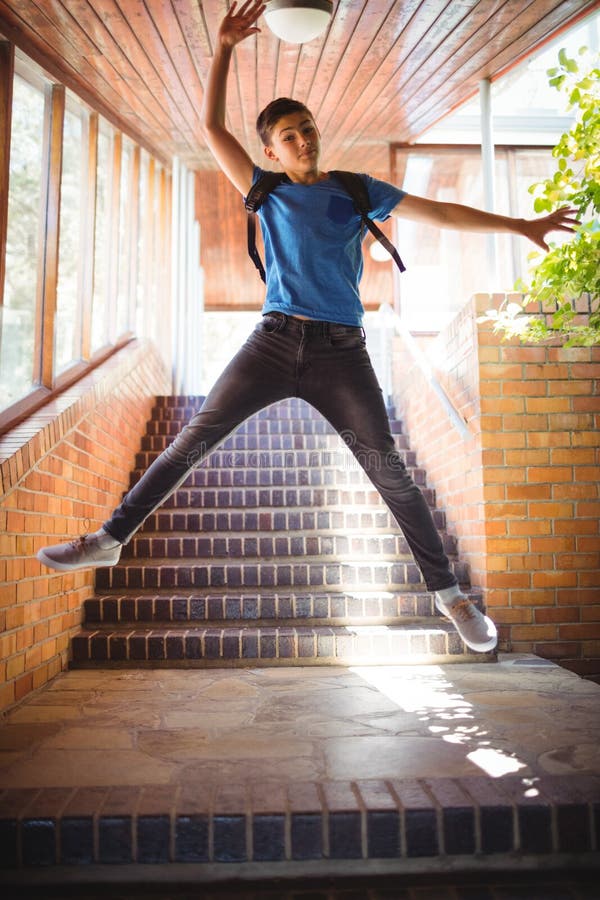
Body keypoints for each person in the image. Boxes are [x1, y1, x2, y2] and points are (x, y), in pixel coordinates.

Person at [37, 1, 577, 653]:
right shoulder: (264, 189)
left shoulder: (355, 190)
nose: (303, 139)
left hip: (342, 354)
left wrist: (521, 225)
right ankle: (109, 540)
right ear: (271, 150)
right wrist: (225, 48)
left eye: (308, 128)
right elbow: (210, 127)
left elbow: (442, 213)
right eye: (289, 134)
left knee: (389, 471)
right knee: (196, 436)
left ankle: (452, 598)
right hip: (271, 343)